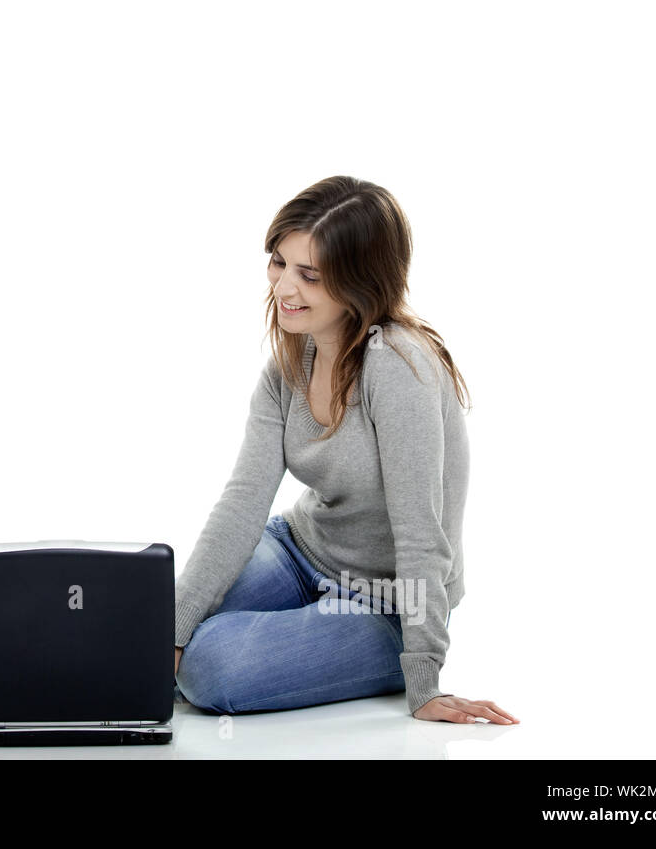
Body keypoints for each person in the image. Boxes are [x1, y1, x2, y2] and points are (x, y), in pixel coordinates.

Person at [173, 176, 517, 725]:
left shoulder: (399, 368)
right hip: (299, 549)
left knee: (211, 666)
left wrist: (424, 678)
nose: (284, 288)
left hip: (385, 600)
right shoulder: (287, 366)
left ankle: (355, 651)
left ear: (361, 282)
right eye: (279, 262)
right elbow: (243, 502)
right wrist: (172, 630)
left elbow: (421, 531)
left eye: (309, 275)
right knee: (155, 624)